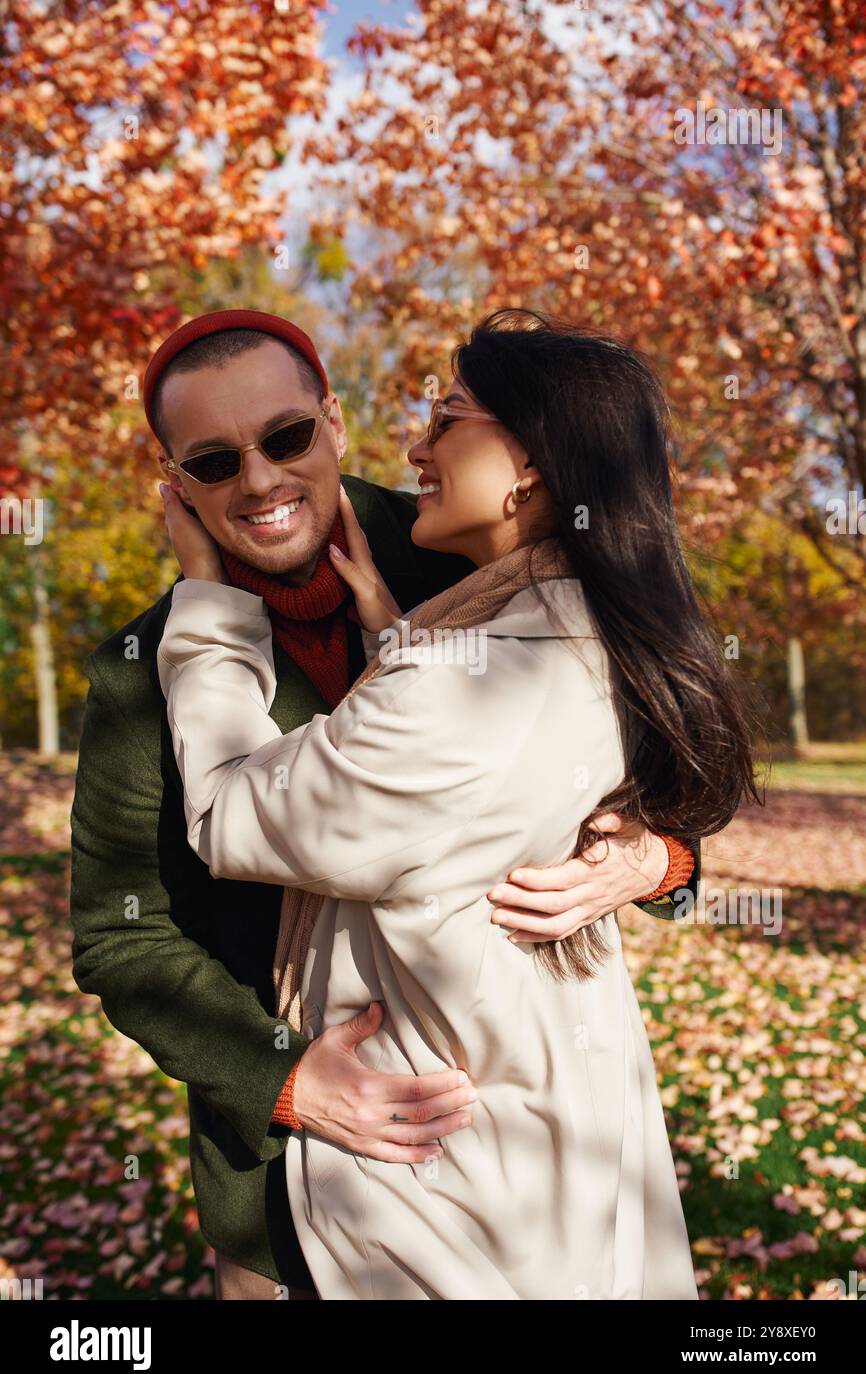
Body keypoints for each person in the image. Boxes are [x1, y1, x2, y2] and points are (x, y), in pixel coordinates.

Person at [70, 308, 699, 1302]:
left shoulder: (462, 553)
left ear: (329, 420)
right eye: (214, 462)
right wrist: (282, 1077)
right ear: (174, 479)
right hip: (272, 1185)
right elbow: (116, 937)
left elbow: (658, 751)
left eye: (283, 439)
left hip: (500, 1180)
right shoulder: (136, 673)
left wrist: (656, 861)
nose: (261, 483)